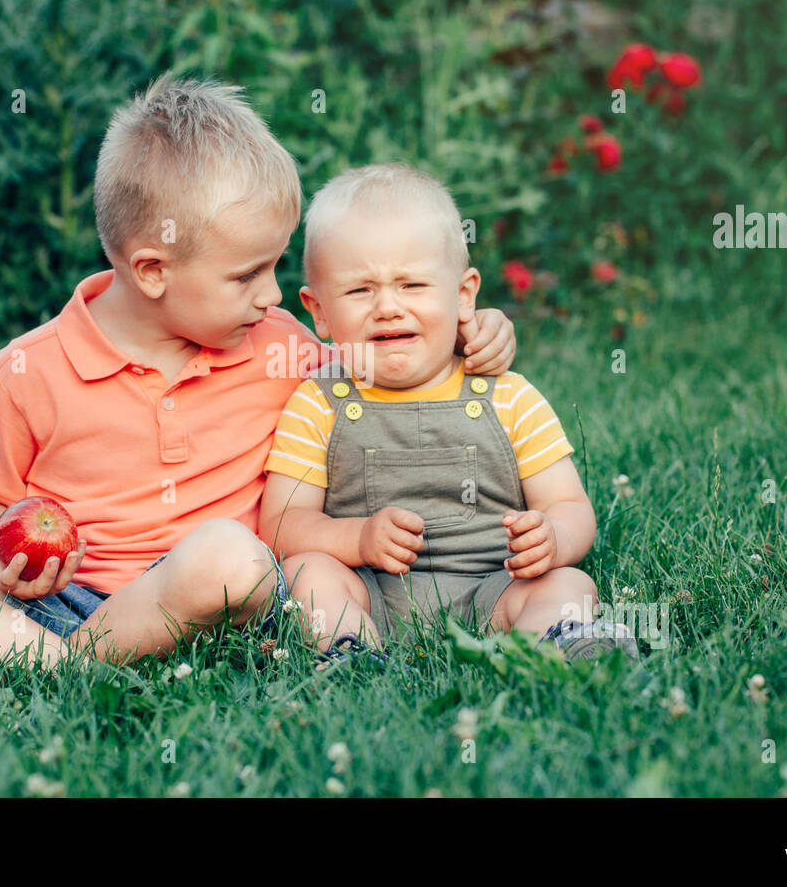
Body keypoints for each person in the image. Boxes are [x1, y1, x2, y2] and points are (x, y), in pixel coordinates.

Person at [0, 76, 518, 695]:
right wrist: (7, 554)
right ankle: (66, 665)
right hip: (61, 596)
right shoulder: (27, 371)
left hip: (212, 595)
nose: (272, 293)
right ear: (153, 270)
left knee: (228, 555)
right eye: (247, 275)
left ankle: (17, 666)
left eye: (275, 268)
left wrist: (470, 334)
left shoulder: (281, 346)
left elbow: (387, 365)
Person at [259, 164, 639, 666]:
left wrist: (554, 537)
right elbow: (282, 527)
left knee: (569, 581)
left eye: (412, 285)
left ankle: (550, 644)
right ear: (319, 311)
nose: (388, 307)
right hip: (370, 594)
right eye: (359, 290)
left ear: (463, 295)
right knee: (309, 573)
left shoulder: (508, 397)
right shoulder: (318, 403)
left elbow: (570, 505)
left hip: (497, 587)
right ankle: (349, 650)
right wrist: (358, 537)